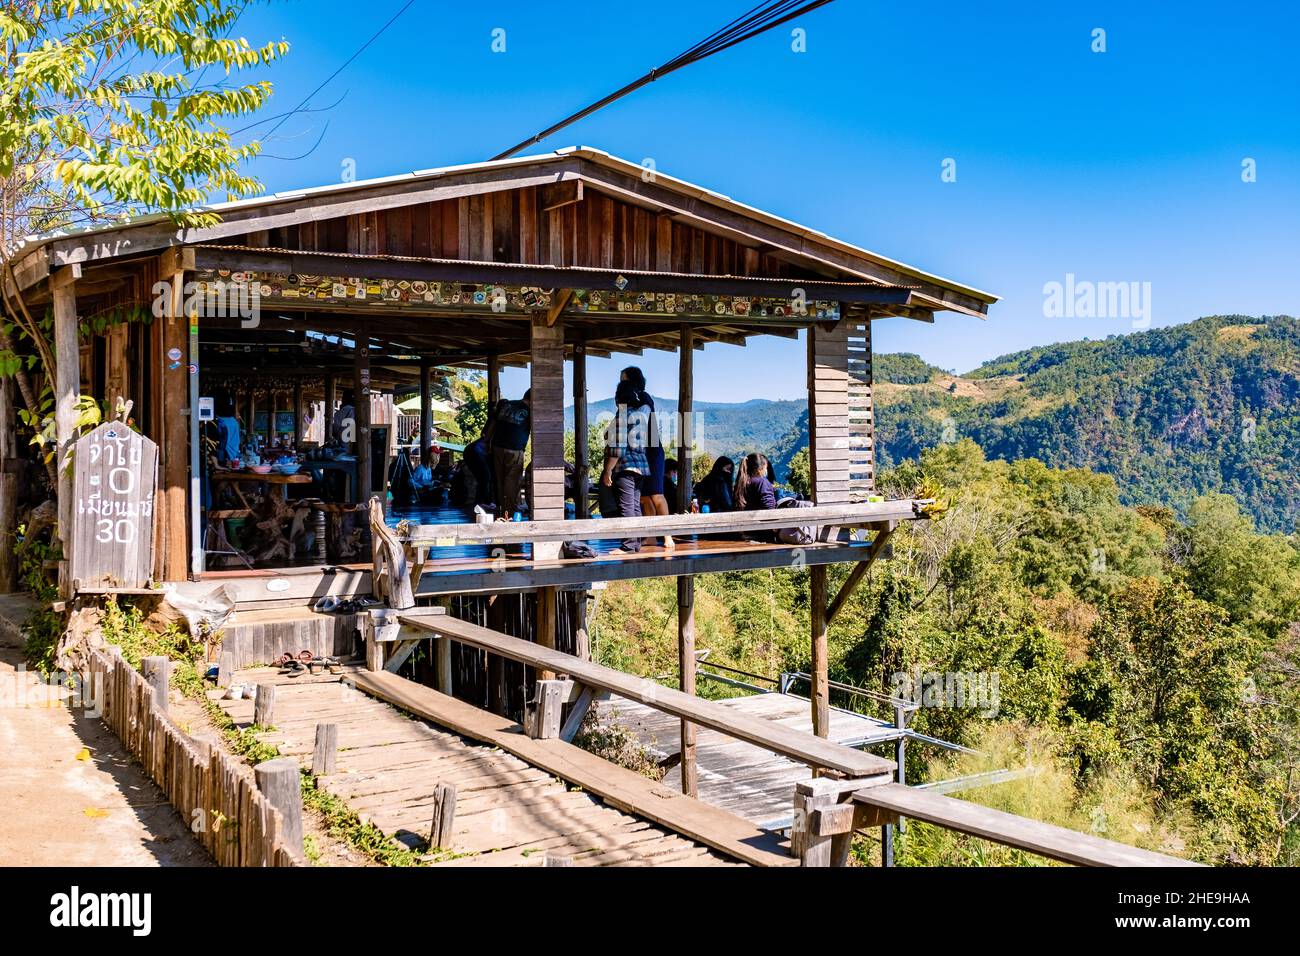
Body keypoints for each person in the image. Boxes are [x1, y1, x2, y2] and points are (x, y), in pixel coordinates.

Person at [621, 366, 672, 549]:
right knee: (643, 498)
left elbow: (640, 419)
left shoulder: (643, 398)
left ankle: (667, 536)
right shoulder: (629, 400)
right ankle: (650, 537)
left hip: (652, 451)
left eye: (623, 379)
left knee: (657, 495)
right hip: (639, 453)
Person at [601, 380, 650, 553]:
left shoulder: (622, 416)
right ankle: (635, 543)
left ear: (618, 399)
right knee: (635, 506)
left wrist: (608, 471)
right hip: (641, 467)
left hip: (626, 467)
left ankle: (628, 546)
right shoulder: (639, 416)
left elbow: (618, 448)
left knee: (626, 506)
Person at [492, 390, 530, 515]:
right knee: (512, 481)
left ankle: (500, 508)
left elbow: (493, 423)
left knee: (499, 479)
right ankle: (510, 512)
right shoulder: (531, 411)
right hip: (514, 449)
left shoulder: (507, 404)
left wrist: (487, 442)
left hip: (497, 446)